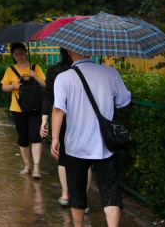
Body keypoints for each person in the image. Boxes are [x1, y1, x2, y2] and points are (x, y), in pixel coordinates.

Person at [51, 49, 131, 227]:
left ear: (70, 52)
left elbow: (58, 109)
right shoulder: (110, 72)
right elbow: (123, 101)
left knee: (77, 191)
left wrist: (55, 138)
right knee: (110, 192)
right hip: (106, 144)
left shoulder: (64, 78)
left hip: (75, 145)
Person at [41, 48, 91, 207]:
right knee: (86, 158)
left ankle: (65, 194)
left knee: (62, 157)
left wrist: (44, 119)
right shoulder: (90, 70)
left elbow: (49, 96)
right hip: (85, 118)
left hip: (62, 119)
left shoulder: (55, 71)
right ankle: (83, 198)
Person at [2, 42, 47, 178]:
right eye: (16, 55)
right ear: (13, 56)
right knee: (23, 137)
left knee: (36, 136)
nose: (19, 57)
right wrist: (13, 86)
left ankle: (37, 168)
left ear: (26, 53)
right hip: (18, 108)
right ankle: (27, 165)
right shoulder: (11, 70)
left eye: (21, 53)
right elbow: (4, 87)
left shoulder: (35, 67)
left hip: (35, 107)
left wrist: (34, 77)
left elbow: (45, 84)